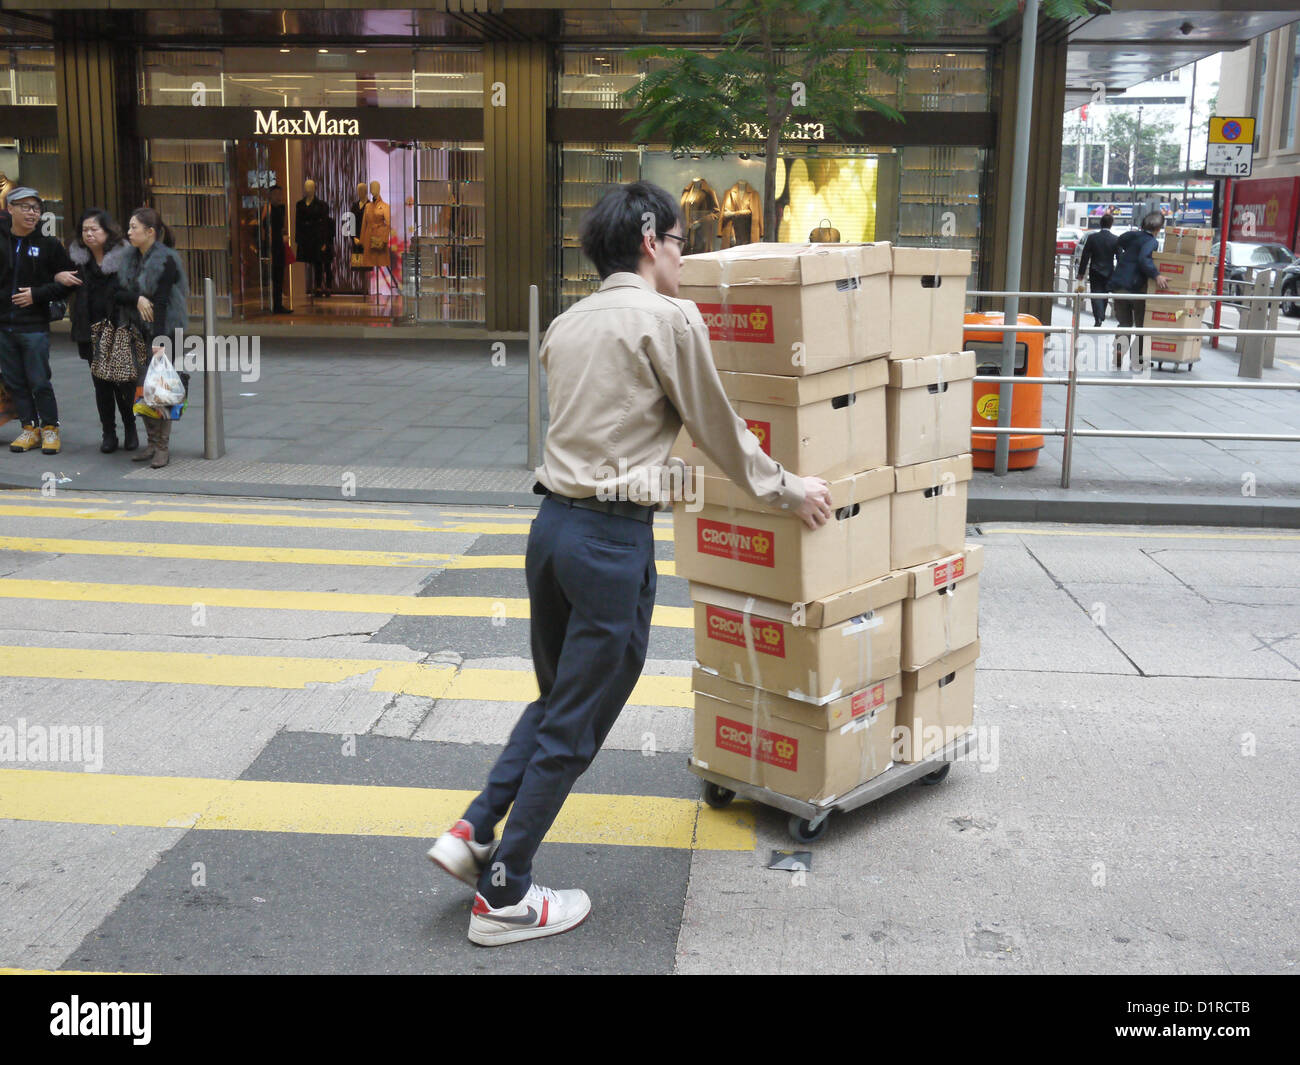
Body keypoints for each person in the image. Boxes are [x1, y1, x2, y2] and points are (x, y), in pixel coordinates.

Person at [426, 181, 834, 947]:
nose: (686, 256)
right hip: (611, 543)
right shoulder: (667, 318)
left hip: (550, 530)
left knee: (556, 700)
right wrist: (789, 489)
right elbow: (719, 428)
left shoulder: (568, 323)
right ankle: (505, 892)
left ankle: (475, 826)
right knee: (575, 719)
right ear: (651, 242)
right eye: (682, 241)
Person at [1, 186, 75, 455]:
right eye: (25, 207)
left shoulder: (48, 245)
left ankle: (50, 428)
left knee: (39, 379)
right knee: (14, 381)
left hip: (33, 326)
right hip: (4, 325)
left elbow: (72, 280)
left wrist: (38, 294)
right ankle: (28, 428)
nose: (32, 213)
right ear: (10, 209)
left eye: (35, 208)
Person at [115, 207, 189, 468]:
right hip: (137, 332)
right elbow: (115, 292)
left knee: (161, 390)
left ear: (151, 232)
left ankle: (162, 447)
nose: (129, 232)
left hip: (165, 331)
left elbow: (162, 301)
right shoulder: (130, 258)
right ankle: (151, 442)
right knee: (141, 390)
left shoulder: (165, 260)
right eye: (129, 226)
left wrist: (159, 340)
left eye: (134, 227)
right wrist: (136, 299)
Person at [61, 208, 138, 453]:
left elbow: (136, 289)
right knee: (101, 384)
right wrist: (58, 277)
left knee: (123, 383)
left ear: (107, 231)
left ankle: (130, 427)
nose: (89, 234)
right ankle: (108, 432)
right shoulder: (77, 259)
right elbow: (60, 287)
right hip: (90, 330)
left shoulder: (125, 257)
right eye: (85, 229)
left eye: (94, 229)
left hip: (119, 328)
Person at [1109, 210, 1170, 371]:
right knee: (1141, 325)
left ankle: (1119, 352)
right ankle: (1137, 359)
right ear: (1159, 228)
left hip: (1119, 285)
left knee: (1124, 323)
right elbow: (1144, 259)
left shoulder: (1133, 236)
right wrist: (1156, 275)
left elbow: (1120, 240)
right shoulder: (1151, 242)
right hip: (1136, 288)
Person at [1077, 213, 1119, 328]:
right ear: (1111, 224)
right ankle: (1101, 314)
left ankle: (1098, 317)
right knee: (1104, 294)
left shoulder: (1092, 238)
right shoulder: (1115, 239)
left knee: (1095, 293)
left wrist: (1081, 273)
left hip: (1095, 270)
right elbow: (1120, 257)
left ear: (1100, 224)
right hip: (1109, 271)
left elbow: (1085, 256)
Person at [262, 185, 289, 314]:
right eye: (276, 194)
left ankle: (278, 304)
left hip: (280, 246)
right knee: (273, 277)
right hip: (271, 247)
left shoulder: (281, 209)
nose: (279, 197)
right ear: (270, 196)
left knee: (279, 277)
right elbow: (264, 229)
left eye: (280, 194)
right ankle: (274, 305)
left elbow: (280, 227)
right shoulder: (267, 209)